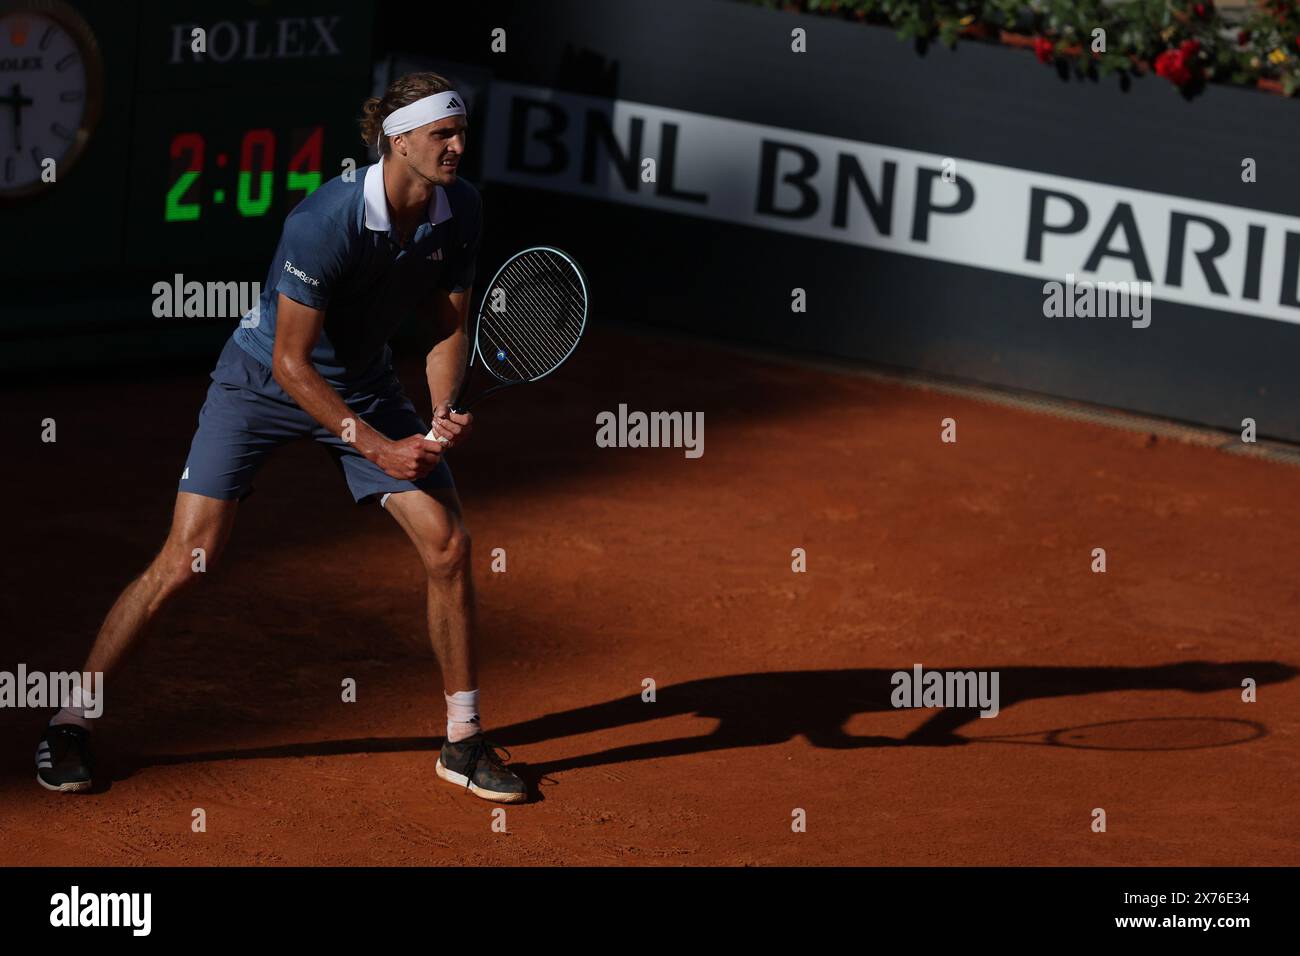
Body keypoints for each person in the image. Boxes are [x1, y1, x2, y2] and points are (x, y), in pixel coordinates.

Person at [35, 72, 527, 804]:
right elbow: (290, 363)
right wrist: (379, 447)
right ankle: (72, 721)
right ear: (398, 141)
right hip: (262, 382)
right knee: (188, 558)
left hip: (362, 383)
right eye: (442, 135)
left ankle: (463, 740)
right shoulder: (322, 222)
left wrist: (440, 409)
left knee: (449, 545)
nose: (458, 147)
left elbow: (447, 324)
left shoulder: (462, 209)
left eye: (460, 133)